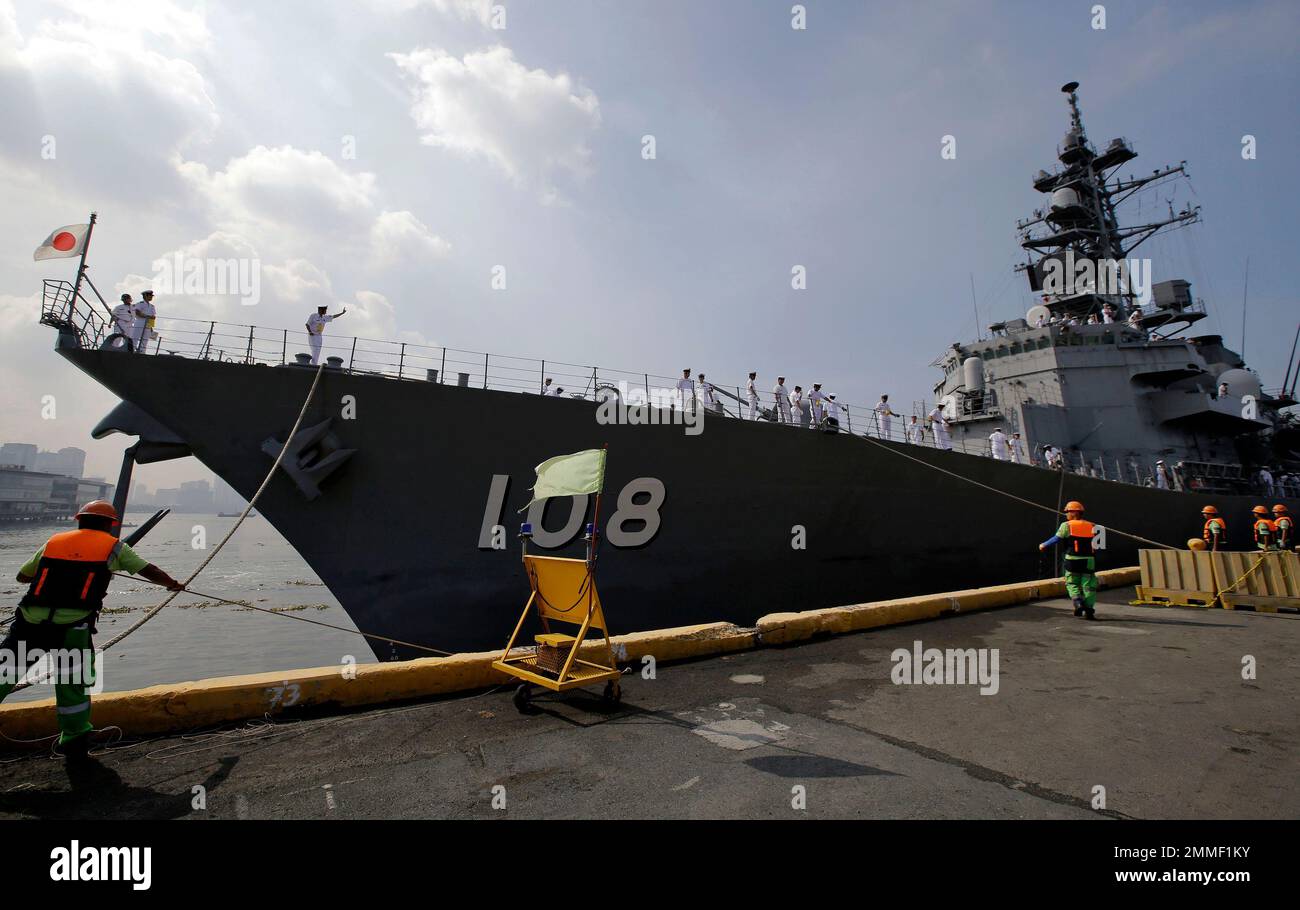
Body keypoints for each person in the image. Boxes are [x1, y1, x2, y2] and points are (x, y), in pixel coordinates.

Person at [1, 501, 183, 759]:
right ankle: (74, 739)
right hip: (72, 627)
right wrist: (172, 584)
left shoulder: (54, 542)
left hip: (30, 620)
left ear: (79, 520)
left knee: (5, 672)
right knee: (71, 683)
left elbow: (22, 576)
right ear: (111, 524)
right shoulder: (113, 547)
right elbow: (148, 570)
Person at [1038, 500, 1098, 619]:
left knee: (1072, 582)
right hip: (1089, 560)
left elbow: (1056, 538)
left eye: (1067, 512)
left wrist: (1043, 545)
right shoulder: (1091, 525)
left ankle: (1078, 602)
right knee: (1088, 585)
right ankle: (1089, 609)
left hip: (1072, 559)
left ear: (1074, 513)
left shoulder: (1067, 525)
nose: (1066, 514)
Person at [131, 289, 156, 354]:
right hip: (140, 322)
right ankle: (132, 350)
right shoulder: (140, 304)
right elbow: (137, 312)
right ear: (145, 296)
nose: (151, 297)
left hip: (148, 324)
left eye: (151, 296)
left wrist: (151, 327)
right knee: (135, 337)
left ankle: (142, 352)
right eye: (150, 296)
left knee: (145, 339)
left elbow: (153, 317)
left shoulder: (152, 306)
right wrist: (147, 316)